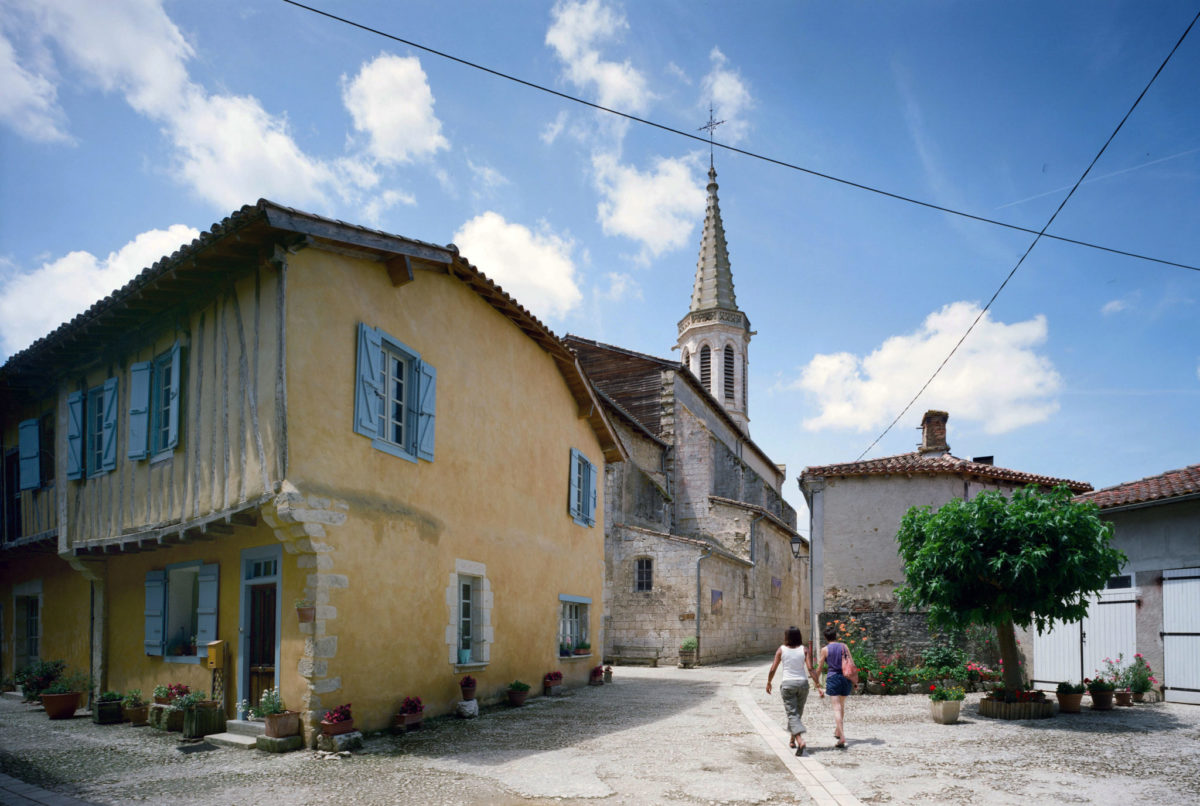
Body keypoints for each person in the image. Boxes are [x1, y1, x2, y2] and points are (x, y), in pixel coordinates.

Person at [765, 626, 821, 756]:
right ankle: (792, 740)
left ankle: (800, 740)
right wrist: (818, 684)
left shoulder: (781, 649)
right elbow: (811, 668)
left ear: (786, 637)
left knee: (792, 714)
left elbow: (773, 668)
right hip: (802, 684)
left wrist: (769, 682)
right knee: (797, 713)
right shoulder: (804, 649)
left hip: (788, 685)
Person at [818, 625, 852, 748]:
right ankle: (838, 731)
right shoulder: (844, 646)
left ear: (825, 638)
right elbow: (851, 663)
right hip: (846, 678)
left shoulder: (825, 649)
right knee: (841, 706)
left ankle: (842, 736)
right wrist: (855, 680)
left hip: (833, 678)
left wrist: (816, 681)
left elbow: (820, 667)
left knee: (836, 708)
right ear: (836, 635)